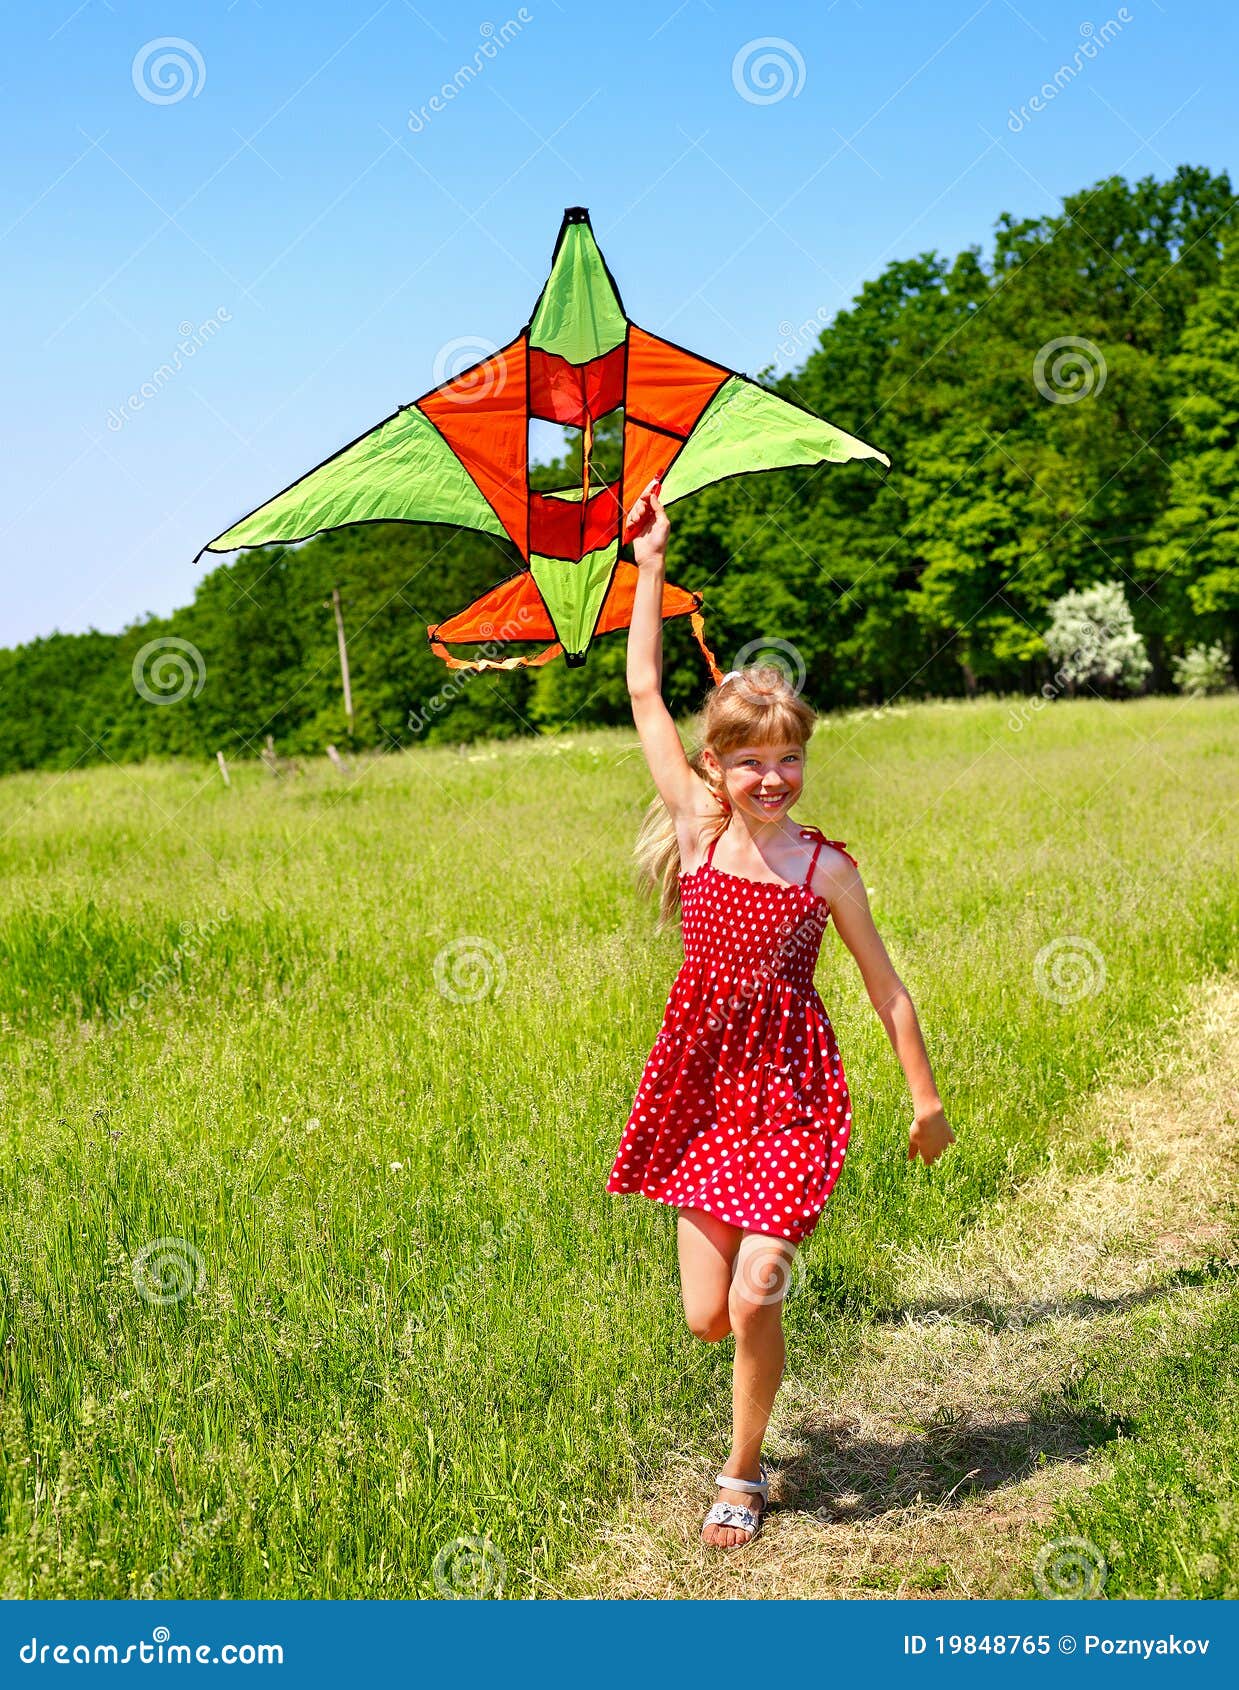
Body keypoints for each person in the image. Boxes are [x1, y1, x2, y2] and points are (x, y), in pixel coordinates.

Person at [607, 476, 956, 1549]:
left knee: (759, 1292)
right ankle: (749, 1422)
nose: (773, 777)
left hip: (791, 1093)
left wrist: (926, 1099)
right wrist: (651, 564)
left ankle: (743, 1471)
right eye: (751, 759)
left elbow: (887, 991)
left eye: (789, 757)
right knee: (705, 1316)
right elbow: (644, 695)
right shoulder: (699, 829)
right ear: (715, 764)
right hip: (700, 1086)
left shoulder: (825, 871)